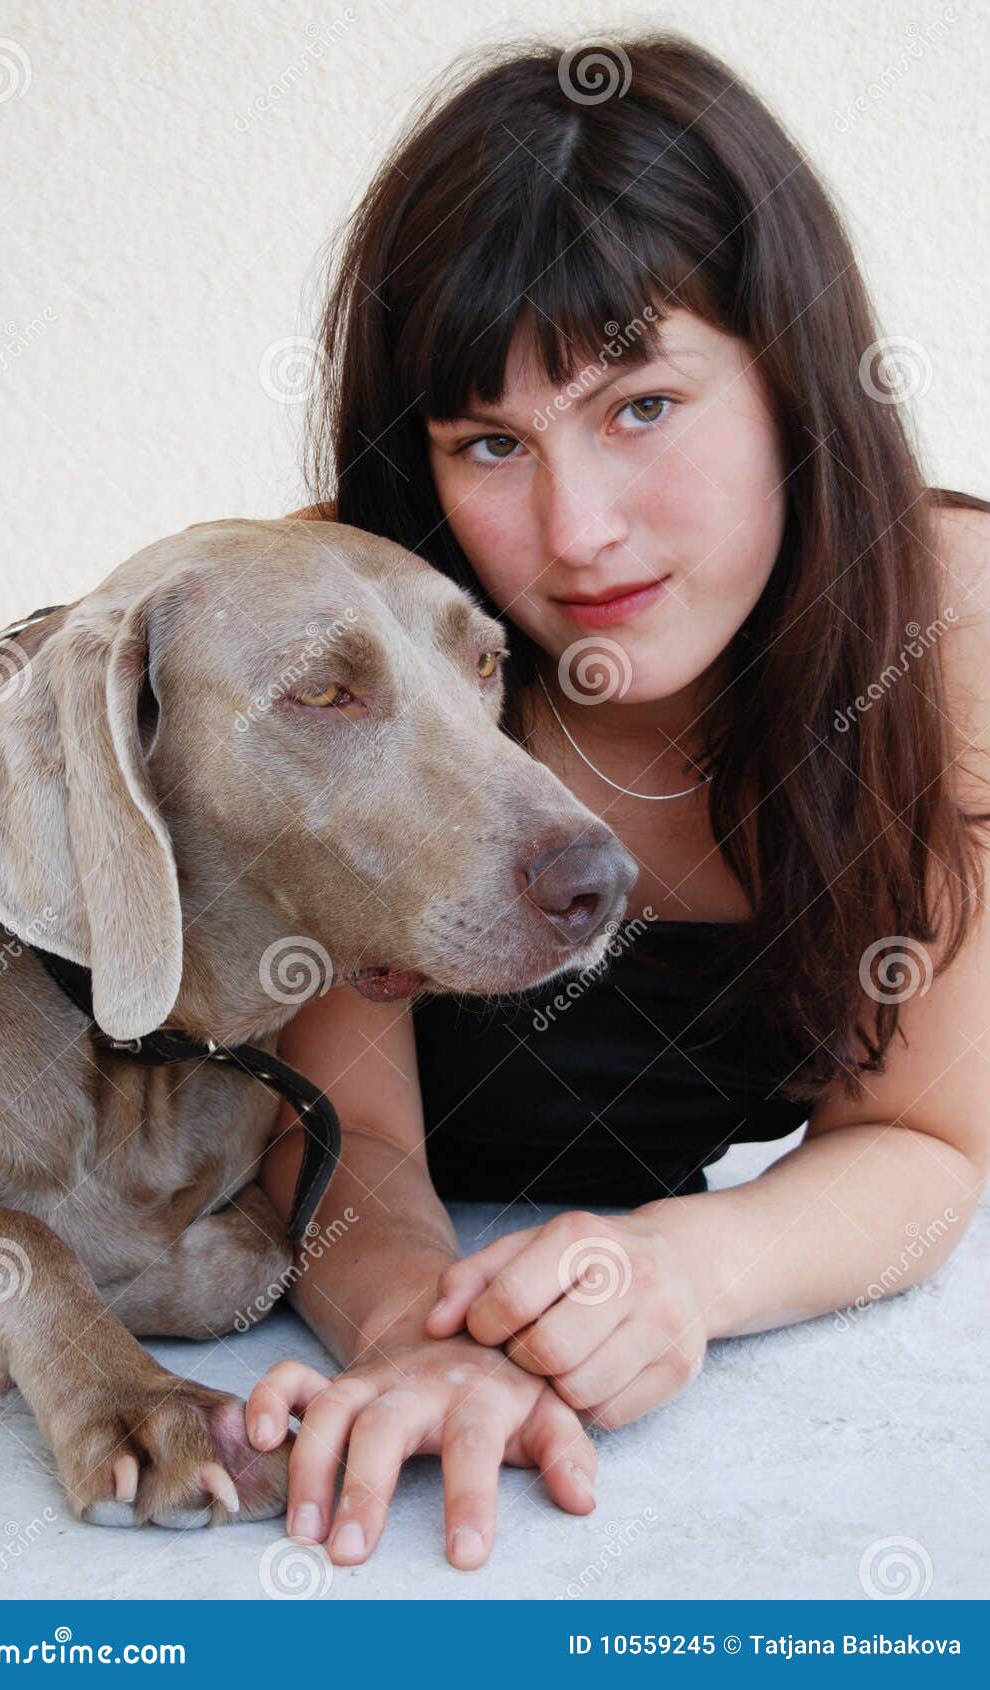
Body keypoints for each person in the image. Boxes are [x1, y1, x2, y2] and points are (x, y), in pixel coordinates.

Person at [243, 34, 990, 1570]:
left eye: (643, 405)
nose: (577, 533)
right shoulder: (341, 639)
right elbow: (330, 1134)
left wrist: (687, 1272)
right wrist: (411, 1326)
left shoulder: (948, 633)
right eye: (491, 444)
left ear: (792, 376)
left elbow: (924, 1141)